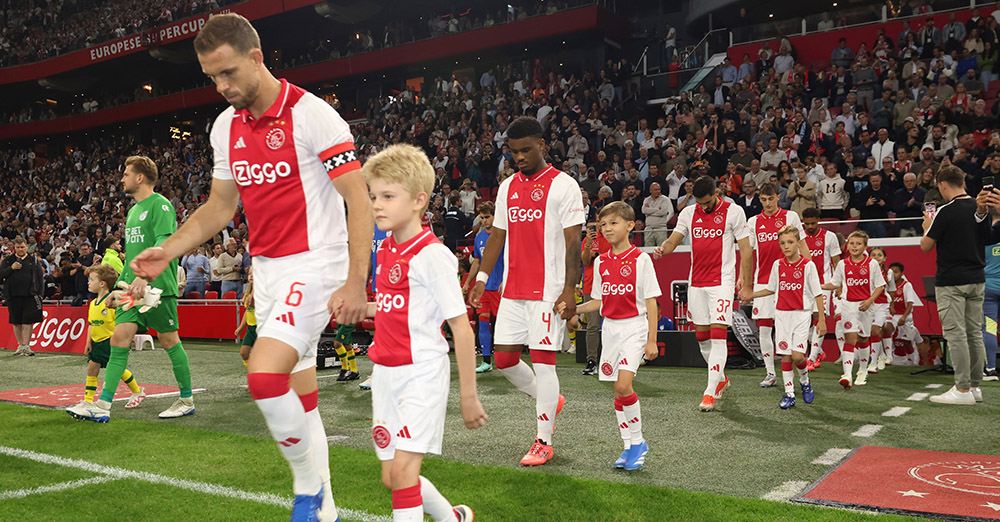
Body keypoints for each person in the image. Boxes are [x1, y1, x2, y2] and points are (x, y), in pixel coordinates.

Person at [129, 14, 375, 521]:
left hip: (316, 263)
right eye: (211, 78)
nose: (221, 87)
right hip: (268, 274)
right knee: (303, 400)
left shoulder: (312, 115)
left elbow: (360, 200)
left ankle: (306, 487)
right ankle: (325, 511)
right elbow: (220, 207)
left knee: (263, 377)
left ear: (257, 58)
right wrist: (169, 248)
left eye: (229, 73)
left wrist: (355, 280)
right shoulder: (225, 127)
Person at [363, 144, 487, 522]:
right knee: (392, 477)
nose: (377, 205)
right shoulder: (385, 248)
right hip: (384, 374)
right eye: (373, 196)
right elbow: (392, 308)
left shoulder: (432, 256)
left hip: (420, 373)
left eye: (388, 196)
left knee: (402, 473)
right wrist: (356, 307)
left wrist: (468, 395)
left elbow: (461, 329)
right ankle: (453, 518)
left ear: (419, 200)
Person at [468, 116, 583, 466]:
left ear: (542, 145)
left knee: (544, 364)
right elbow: (497, 237)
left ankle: (543, 440)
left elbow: (573, 242)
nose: (519, 157)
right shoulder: (507, 188)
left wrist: (569, 289)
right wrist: (482, 277)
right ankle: (550, 400)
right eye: (513, 152)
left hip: (548, 292)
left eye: (525, 150)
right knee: (503, 359)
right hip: (513, 290)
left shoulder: (564, 186)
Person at [67, 155, 192, 421]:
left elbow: (164, 243)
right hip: (129, 289)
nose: (121, 179)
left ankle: (186, 399)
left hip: (157, 288)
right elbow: (132, 256)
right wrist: (117, 287)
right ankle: (101, 405)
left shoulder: (161, 206)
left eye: (126, 174)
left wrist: (145, 276)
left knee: (170, 341)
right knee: (118, 339)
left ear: (140, 177)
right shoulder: (133, 211)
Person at [568, 202, 660, 470]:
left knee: (623, 387)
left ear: (630, 226)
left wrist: (651, 339)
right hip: (610, 329)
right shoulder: (601, 262)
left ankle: (640, 441)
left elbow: (652, 301)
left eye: (613, 223)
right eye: (603, 225)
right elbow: (598, 300)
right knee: (616, 391)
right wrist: (574, 309)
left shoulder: (641, 260)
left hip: (634, 328)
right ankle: (628, 444)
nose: (607, 229)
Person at [653, 176, 753, 412]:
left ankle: (709, 392)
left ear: (717, 192)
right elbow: (673, 241)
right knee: (701, 337)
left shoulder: (734, 212)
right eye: (700, 202)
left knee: (718, 334)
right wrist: (662, 250)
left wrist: (746, 284)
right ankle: (721, 379)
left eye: (707, 202)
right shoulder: (689, 213)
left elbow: (746, 251)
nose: (704, 206)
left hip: (722, 282)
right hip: (696, 282)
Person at [923, 166, 990, 405]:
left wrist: (926, 227)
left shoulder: (944, 211)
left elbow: (925, 246)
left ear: (942, 185)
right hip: (977, 278)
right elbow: (988, 237)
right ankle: (974, 387)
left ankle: (962, 389)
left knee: (956, 335)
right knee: (974, 332)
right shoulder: (980, 206)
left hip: (952, 281)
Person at [749, 226, 824, 409]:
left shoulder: (808, 265)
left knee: (798, 356)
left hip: (801, 315)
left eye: (790, 242)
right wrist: (751, 295)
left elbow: (817, 294)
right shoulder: (777, 265)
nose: (786, 246)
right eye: (782, 243)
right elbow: (771, 289)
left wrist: (821, 319)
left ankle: (805, 381)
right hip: (781, 315)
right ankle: (789, 393)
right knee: (785, 355)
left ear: (799, 243)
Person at [747, 183, 809, 388]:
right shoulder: (753, 221)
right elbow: (748, 253)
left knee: (789, 328)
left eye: (771, 199)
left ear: (777, 197)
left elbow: (802, 245)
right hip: (764, 280)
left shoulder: (790, 217)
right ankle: (770, 373)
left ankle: (797, 372)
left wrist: (808, 275)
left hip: (789, 281)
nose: (767, 203)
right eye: (763, 200)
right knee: (764, 330)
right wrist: (745, 281)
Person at [69, 264, 145, 411]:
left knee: (118, 370)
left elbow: (121, 323)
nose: (88, 282)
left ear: (102, 283)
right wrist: (88, 341)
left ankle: (137, 391)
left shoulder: (113, 302)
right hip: (97, 342)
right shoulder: (92, 304)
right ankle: (88, 400)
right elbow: (91, 324)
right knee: (92, 369)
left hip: (110, 342)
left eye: (91, 279)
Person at [823, 231, 885, 388]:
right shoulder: (842, 264)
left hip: (865, 307)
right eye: (851, 243)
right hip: (848, 305)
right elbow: (835, 283)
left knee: (863, 338)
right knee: (850, 338)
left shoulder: (872, 264)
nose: (854, 246)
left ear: (865, 246)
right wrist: (820, 285)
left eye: (858, 244)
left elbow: (880, 286)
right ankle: (847, 374)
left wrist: (870, 301)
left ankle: (863, 371)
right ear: (846, 245)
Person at [463, 202, 505, 373]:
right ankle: (486, 361)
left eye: (488, 217)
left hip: (500, 288)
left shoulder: (504, 236)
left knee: (501, 326)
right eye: (482, 218)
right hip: (485, 289)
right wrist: (467, 282)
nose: (485, 221)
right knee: (483, 321)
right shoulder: (479, 237)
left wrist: (506, 279)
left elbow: (511, 259)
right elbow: (477, 262)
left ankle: (505, 360)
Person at [802, 207, 842, 370]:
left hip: (824, 284)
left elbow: (836, 262)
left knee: (819, 318)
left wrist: (838, 285)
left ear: (818, 220)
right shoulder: (799, 236)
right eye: (807, 223)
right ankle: (818, 351)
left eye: (813, 223)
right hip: (804, 285)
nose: (810, 226)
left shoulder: (830, 237)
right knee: (806, 321)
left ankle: (811, 357)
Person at [0, 236, 44, 356]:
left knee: (27, 322)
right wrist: (11, 268)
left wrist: (40, 293)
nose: (20, 249)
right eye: (18, 247)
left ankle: (26, 345)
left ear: (27, 247)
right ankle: (20, 345)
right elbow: (1, 275)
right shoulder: (8, 260)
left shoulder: (33, 260)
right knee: (16, 322)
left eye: (23, 247)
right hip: (13, 295)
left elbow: (40, 277)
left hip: (30, 295)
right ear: (14, 248)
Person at [579, 218, 612, 375]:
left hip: (609, 286)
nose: (596, 226)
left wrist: (599, 254)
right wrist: (587, 246)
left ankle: (610, 360)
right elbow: (585, 262)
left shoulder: (610, 237)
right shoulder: (587, 239)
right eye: (592, 225)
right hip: (590, 286)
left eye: (599, 222)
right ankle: (591, 360)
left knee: (610, 325)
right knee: (592, 325)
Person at [886, 262, 924, 366]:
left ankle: (911, 363)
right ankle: (887, 358)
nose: (893, 275)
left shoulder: (907, 285)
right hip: (893, 316)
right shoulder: (887, 286)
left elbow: (910, 303)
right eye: (891, 272)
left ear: (902, 273)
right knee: (886, 332)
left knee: (906, 342)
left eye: (896, 272)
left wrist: (904, 317)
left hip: (905, 316)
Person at [868, 247, 897, 373]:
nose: (876, 257)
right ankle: (881, 355)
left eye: (879, 255)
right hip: (868, 304)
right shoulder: (864, 269)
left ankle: (873, 363)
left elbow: (891, 289)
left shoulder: (888, 272)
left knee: (875, 330)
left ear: (884, 258)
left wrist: (892, 306)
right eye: (873, 254)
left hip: (882, 305)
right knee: (869, 333)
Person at [234, 268, 256, 369]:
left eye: (254, 273)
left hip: (262, 328)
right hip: (251, 328)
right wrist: (241, 327)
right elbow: (247, 312)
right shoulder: (247, 292)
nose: (251, 276)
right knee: (244, 353)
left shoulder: (263, 291)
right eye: (249, 274)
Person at [641, 182, 674, 247]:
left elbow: (665, 212)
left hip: (660, 228)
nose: (658, 191)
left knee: (662, 249)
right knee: (648, 249)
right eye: (656, 190)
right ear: (651, 190)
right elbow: (644, 210)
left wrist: (664, 221)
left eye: (659, 189)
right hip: (649, 229)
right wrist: (657, 209)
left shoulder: (665, 199)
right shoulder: (647, 200)